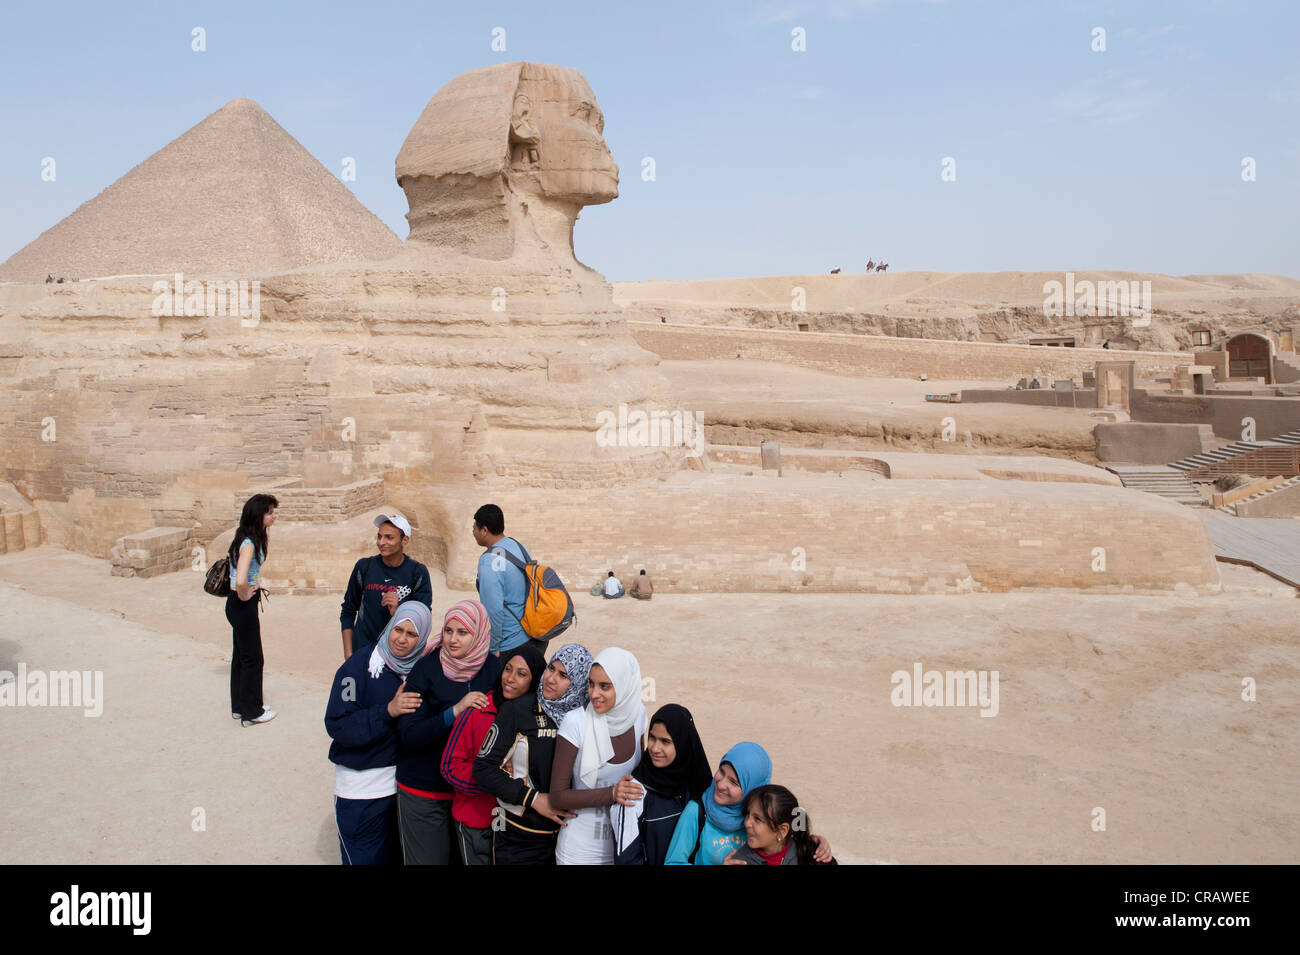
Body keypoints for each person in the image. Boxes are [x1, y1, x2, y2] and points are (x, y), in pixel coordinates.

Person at [396, 600, 503, 864]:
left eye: (462, 633)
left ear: (478, 634)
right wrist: (454, 711)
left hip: (470, 798)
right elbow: (409, 734)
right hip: (425, 790)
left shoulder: (493, 670)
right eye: (448, 631)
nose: (452, 640)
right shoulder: (427, 669)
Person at [324, 601, 431, 865]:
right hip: (362, 794)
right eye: (398, 630)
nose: (402, 640)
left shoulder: (422, 670)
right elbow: (339, 725)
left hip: (403, 794)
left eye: (412, 634)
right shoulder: (356, 669)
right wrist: (387, 711)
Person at [473, 643, 594, 865]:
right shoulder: (517, 711)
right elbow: (483, 768)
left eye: (563, 675)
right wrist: (534, 799)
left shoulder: (585, 719)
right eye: (551, 669)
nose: (551, 679)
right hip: (519, 838)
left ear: (578, 682)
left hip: (571, 839)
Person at [441, 643, 547, 865]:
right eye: (507, 669)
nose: (509, 678)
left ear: (535, 679)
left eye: (521, 674)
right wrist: (493, 779)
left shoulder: (539, 719)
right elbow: (449, 766)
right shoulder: (478, 710)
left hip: (517, 828)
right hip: (477, 821)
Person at [549, 647, 648, 864]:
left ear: (624, 687)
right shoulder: (575, 722)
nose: (594, 694)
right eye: (591, 684)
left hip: (625, 846)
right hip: (579, 851)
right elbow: (557, 796)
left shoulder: (638, 714)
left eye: (605, 686)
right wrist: (612, 793)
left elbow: (642, 776)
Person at [663, 744, 836, 865]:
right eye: (721, 772)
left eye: (734, 782)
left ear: (752, 788)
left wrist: (817, 843)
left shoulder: (761, 807)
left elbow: (790, 818)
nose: (721, 784)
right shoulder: (698, 810)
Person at [614, 703, 711, 865]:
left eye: (665, 741)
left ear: (682, 743)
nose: (655, 748)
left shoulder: (700, 784)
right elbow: (627, 860)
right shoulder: (635, 791)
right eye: (652, 738)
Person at [339, 513, 432, 660]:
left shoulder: (417, 572)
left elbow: (422, 621)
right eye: (379, 536)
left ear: (404, 540)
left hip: (396, 656)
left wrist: (398, 610)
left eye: (389, 537)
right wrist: (349, 655)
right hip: (362, 651)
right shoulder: (364, 567)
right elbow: (348, 611)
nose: (381, 542)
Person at [227, 493, 278, 726]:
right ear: (258, 515)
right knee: (253, 659)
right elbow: (240, 580)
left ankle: (240, 705)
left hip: (235, 604)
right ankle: (253, 711)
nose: (273, 516)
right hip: (242, 604)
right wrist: (247, 592)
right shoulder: (249, 543)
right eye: (269, 512)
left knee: (240, 656)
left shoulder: (245, 537)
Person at [471, 504, 538, 659]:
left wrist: (493, 648)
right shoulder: (518, 546)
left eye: (475, 528)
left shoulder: (489, 560)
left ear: (484, 530)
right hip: (531, 633)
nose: (473, 532)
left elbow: (493, 610)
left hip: (510, 643)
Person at [725, 784, 837, 865]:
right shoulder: (740, 861)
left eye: (757, 819)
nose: (747, 823)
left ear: (782, 831)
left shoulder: (810, 853)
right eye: (748, 814)